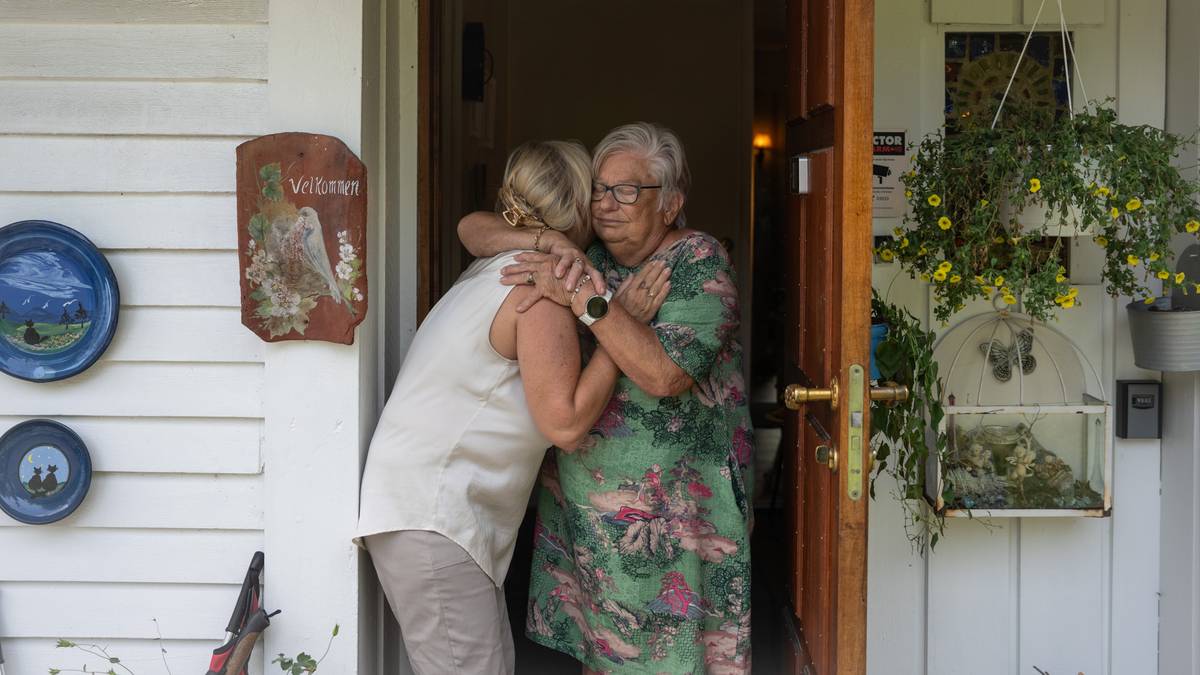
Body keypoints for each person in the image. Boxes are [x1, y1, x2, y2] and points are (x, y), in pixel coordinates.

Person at [355, 140, 670, 675]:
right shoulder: (539, 286)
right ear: (577, 208)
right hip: (437, 515)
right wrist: (620, 330)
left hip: (429, 514)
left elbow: (470, 227)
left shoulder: (495, 262)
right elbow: (565, 423)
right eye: (594, 193)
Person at [458, 122, 753, 674]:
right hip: (589, 514)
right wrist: (551, 242)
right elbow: (472, 229)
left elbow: (664, 374)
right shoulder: (587, 251)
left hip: (675, 518)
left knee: (674, 657)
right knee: (604, 653)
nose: (606, 203)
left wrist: (592, 304)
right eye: (598, 188)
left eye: (626, 190)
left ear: (670, 203)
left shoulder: (696, 262)